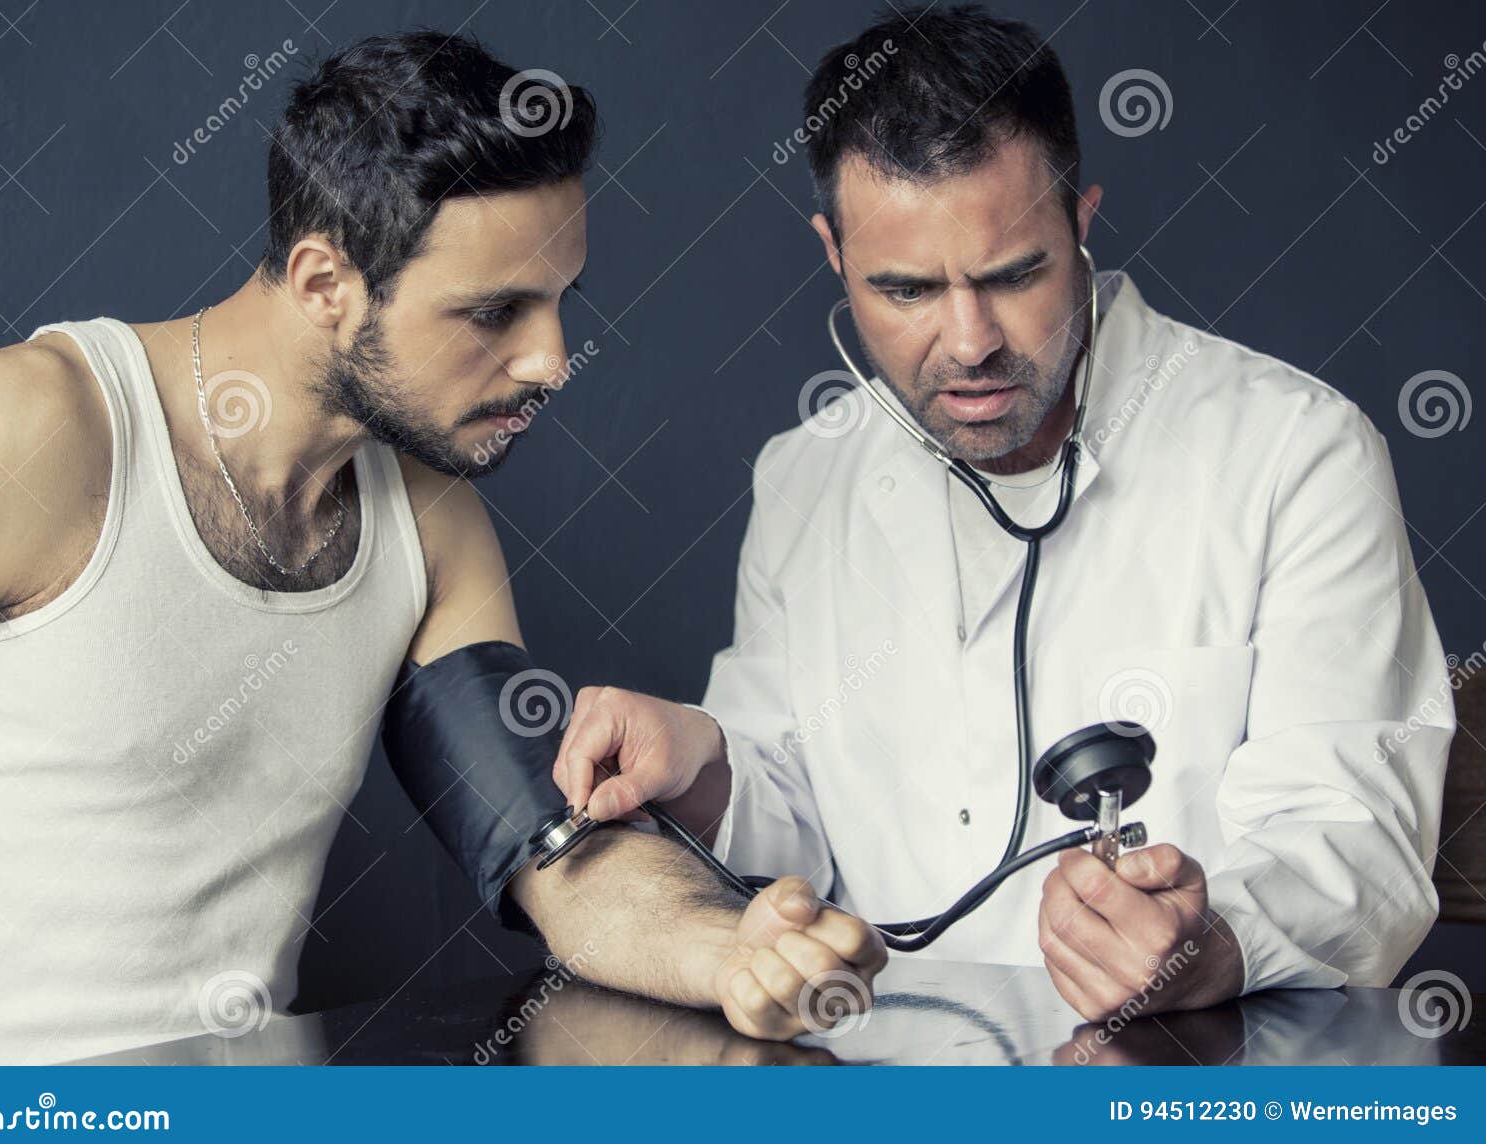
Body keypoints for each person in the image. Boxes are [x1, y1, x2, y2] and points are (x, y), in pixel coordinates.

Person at [0, 30, 884, 1063]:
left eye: (556, 306)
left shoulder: (427, 518)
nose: (549, 360)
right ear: (326, 283)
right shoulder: (23, 429)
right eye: (494, 312)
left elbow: (553, 854)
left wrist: (735, 949)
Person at [551, 4, 1454, 1023]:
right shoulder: (805, 475)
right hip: (891, 1069)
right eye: (905, 288)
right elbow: (795, 819)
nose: (969, 340)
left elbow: (1355, 838)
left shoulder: (1296, 453)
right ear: (832, 255)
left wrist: (1210, 944)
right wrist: (706, 762)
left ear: (1080, 221)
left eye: (1013, 274)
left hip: (1182, 1076)